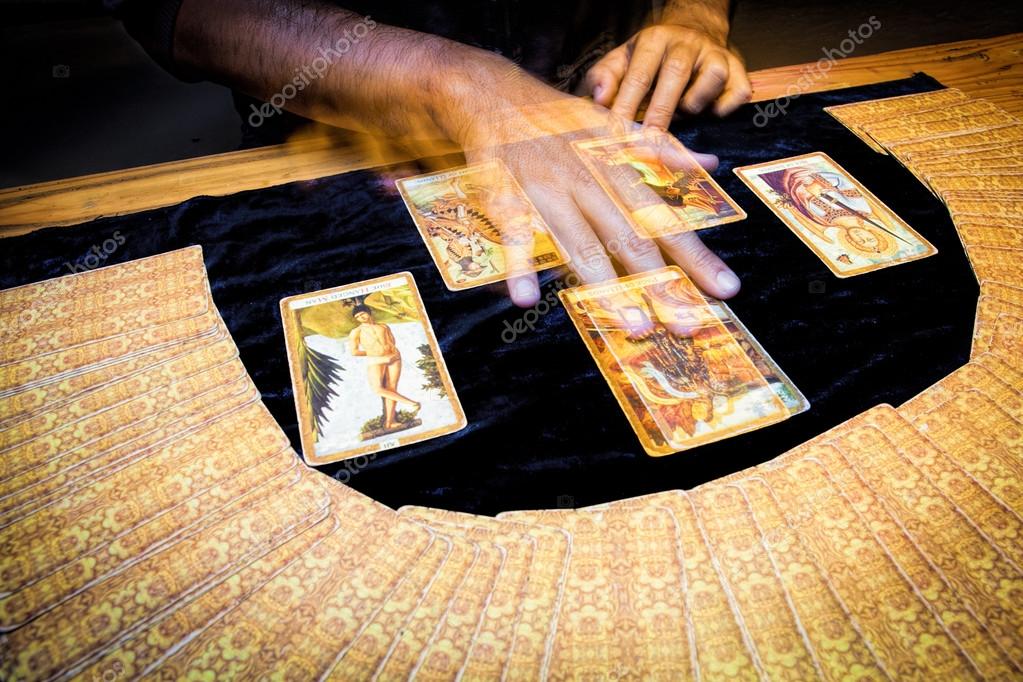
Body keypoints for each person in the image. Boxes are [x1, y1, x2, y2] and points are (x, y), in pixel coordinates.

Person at [116, 0, 752, 307]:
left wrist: (695, 17)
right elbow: (189, 13)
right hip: (343, 147)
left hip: (607, 106)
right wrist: (461, 87)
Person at [347, 304, 420, 431]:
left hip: (394, 357)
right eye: (357, 316)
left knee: (391, 389)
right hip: (376, 359)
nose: (361, 317)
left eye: (362, 313)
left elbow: (392, 341)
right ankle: (411, 403)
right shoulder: (356, 332)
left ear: (369, 313)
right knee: (377, 389)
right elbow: (354, 352)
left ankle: (390, 423)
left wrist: (392, 354)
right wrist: (374, 354)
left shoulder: (383, 326)